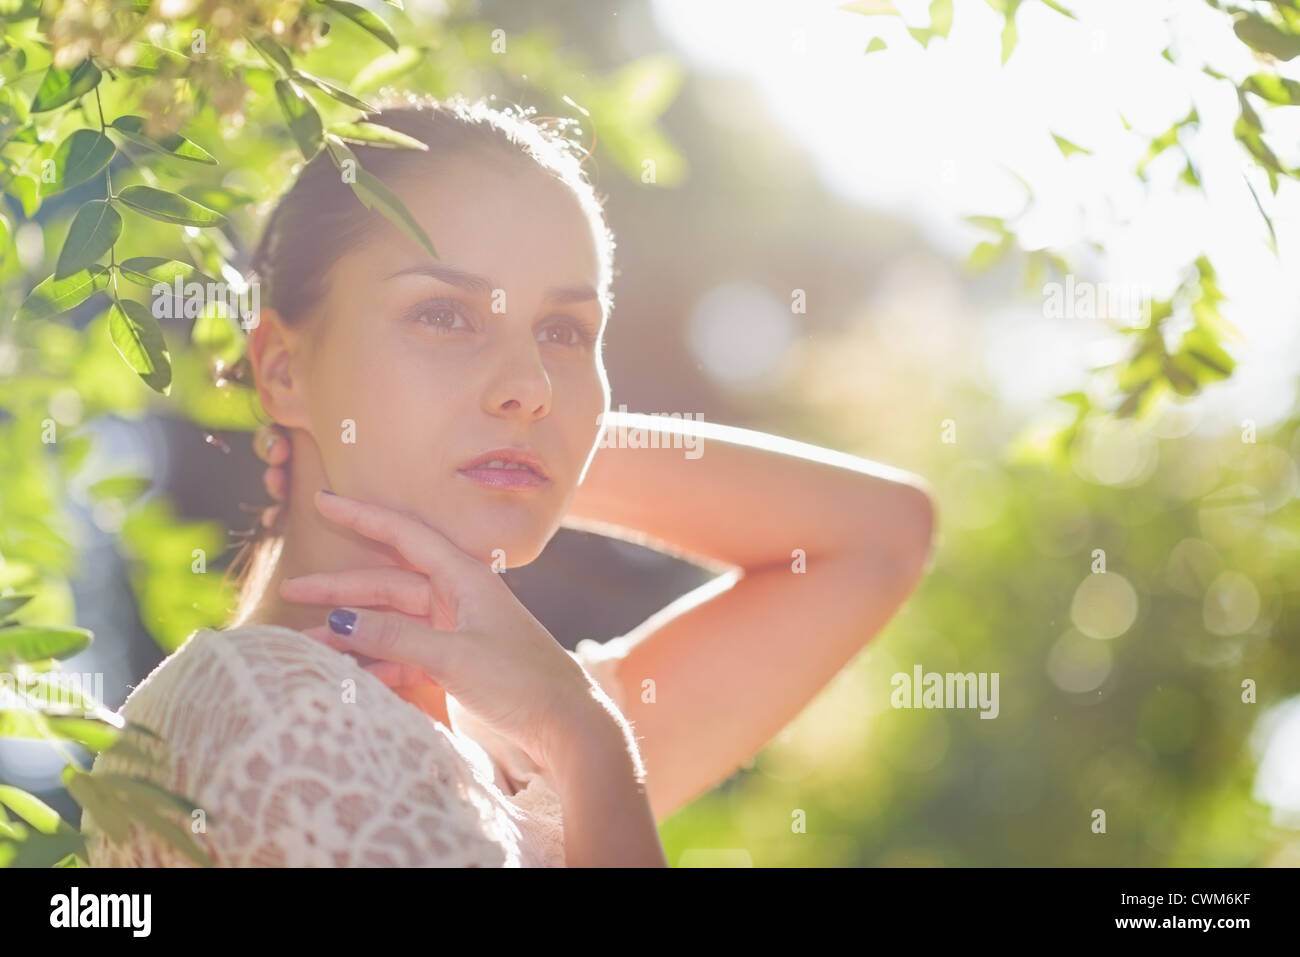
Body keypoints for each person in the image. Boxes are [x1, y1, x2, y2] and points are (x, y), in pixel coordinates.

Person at [80, 92, 937, 868]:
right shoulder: (289, 728)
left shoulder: (511, 731)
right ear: (283, 370)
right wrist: (590, 740)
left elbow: (880, 536)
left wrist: (532, 450)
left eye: (563, 331)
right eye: (444, 314)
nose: (531, 382)